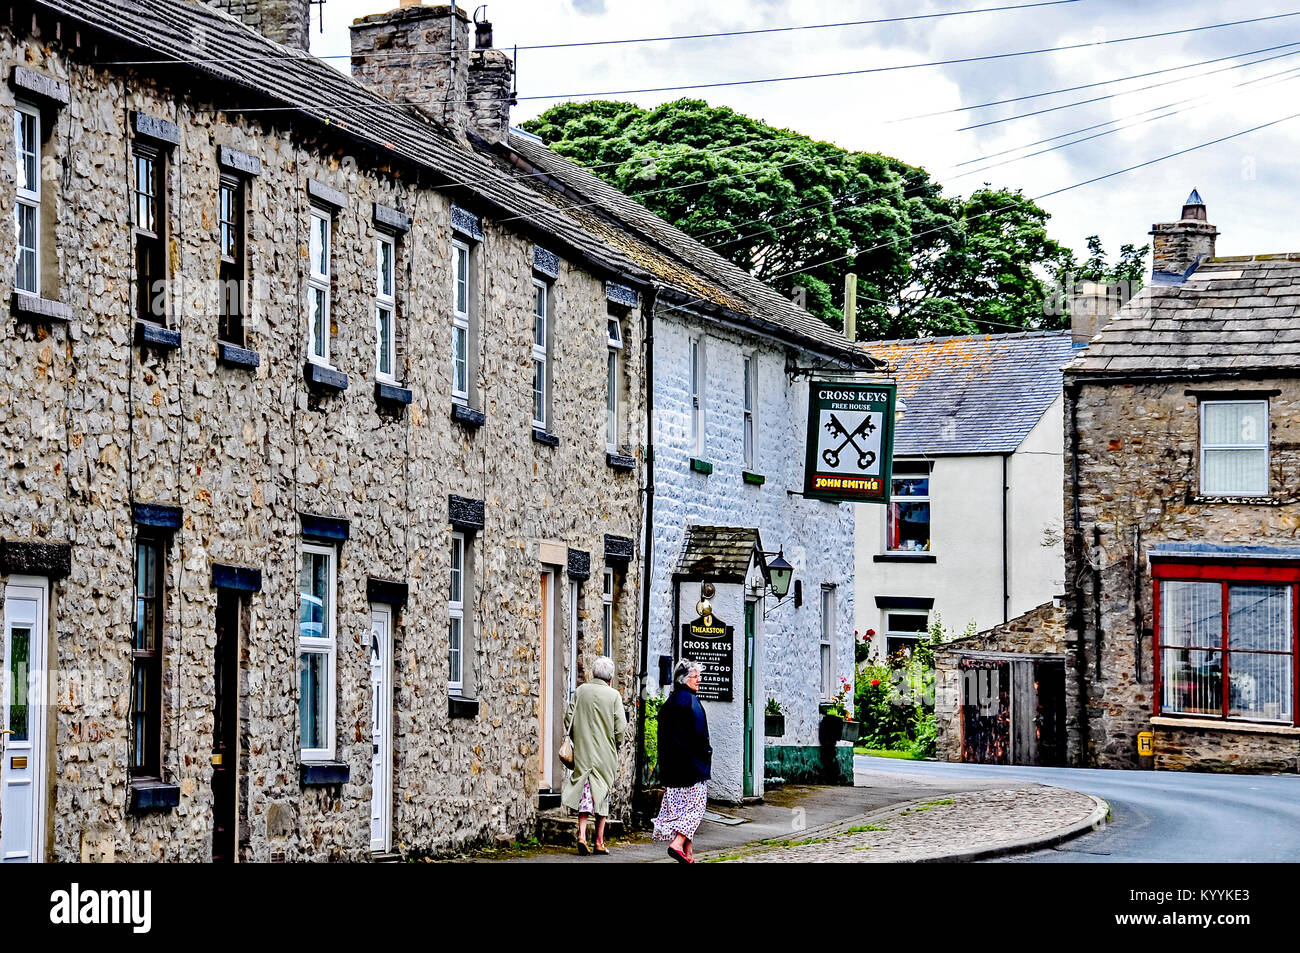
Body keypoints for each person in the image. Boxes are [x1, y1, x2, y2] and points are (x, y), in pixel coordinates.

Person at [562, 655, 627, 855]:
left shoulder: (581, 691)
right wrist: (615, 744)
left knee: (585, 792)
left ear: (593, 673)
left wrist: (577, 738)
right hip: (605, 753)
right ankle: (599, 841)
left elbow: (568, 719)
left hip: (584, 750)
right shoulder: (614, 695)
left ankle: (582, 835)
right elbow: (620, 727)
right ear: (610, 677)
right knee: (602, 793)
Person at [654, 659, 711, 863]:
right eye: (696, 677)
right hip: (692, 767)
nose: (699, 681)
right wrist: (705, 755)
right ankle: (677, 844)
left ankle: (688, 853)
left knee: (682, 810)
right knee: (696, 809)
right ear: (685, 679)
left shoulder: (670, 702)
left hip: (672, 768)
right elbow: (699, 736)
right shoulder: (691, 702)